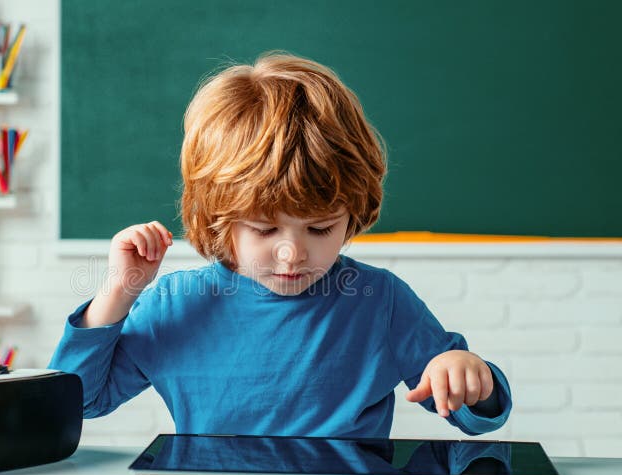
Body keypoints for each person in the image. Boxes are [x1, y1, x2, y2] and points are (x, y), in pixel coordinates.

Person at [49, 52, 511, 437]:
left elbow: (478, 415)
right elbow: (79, 402)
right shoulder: (175, 305)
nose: (292, 253)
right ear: (219, 218)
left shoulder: (381, 302)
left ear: (352, 214)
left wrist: (471, 376)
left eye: (320, 229)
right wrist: (118, 293)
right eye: (264, 230)